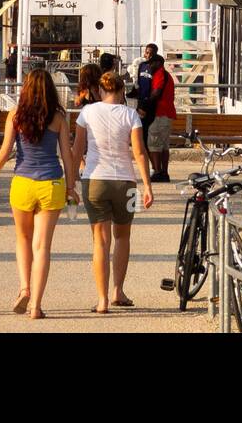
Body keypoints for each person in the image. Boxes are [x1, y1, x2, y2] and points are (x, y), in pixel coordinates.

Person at [0, 70, 76, 320]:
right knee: (43, 246)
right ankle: (35, 305)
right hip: (51, 184)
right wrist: (70, 187)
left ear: (26, 88)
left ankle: (24, 287)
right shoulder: (58, 118)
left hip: (23, 182)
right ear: (49, 89)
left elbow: (4, 151)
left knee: (23, 239)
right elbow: (67, 155)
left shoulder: (15, 115)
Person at [71, 71, 153, 314]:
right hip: (125, 183)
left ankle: (102, 299)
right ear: (121, 91)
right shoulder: (131, 115)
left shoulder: (87, 112)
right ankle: (118, 290)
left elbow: (77, 149)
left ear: (101, 90)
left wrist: (72, 181)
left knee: (100, 241)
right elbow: (139, 153)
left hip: (95, 180)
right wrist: (147, 185)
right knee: (122, 237)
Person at [146, 54, 177, 182]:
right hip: (168, 114)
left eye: (151, 63)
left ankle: (157, 171)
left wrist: (146, 102)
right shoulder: (168, 76)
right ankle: (164, 172)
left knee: (154, 144)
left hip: (159, 114)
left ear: (159, 63)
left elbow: (157, 91)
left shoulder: (160, 74)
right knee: (164, 145)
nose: (149, 66)